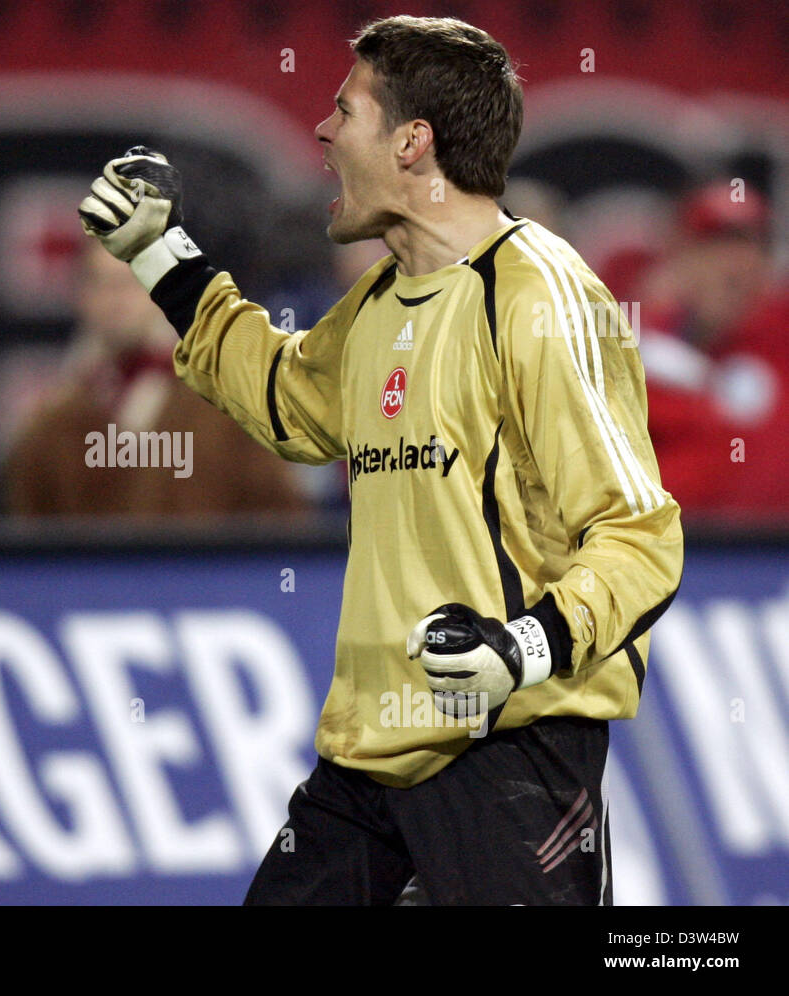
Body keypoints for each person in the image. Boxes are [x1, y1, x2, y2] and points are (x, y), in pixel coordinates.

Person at [77, 15, 683, 905]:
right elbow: (287, 399)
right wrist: (160, 256)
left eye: (345, 110)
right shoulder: (377, 303)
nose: (322, 133)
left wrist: (521, 649)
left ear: (412, 142)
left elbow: (640, 538)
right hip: (368, 758)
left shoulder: (541, 298)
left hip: (507, 755)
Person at [2, 239, 308, 517]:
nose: (117, 300)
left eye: (134, 281)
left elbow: (279, 523)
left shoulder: (227, 409)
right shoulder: (52, 427)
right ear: (80, 295)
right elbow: (29, 536)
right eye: (101, 282)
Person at [633, 182, 789, 523]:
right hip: (690, 547)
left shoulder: (780, 340)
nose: (733, 264)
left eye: (750, 247)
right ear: (679, 259)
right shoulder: (647, 356)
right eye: (713, 246)